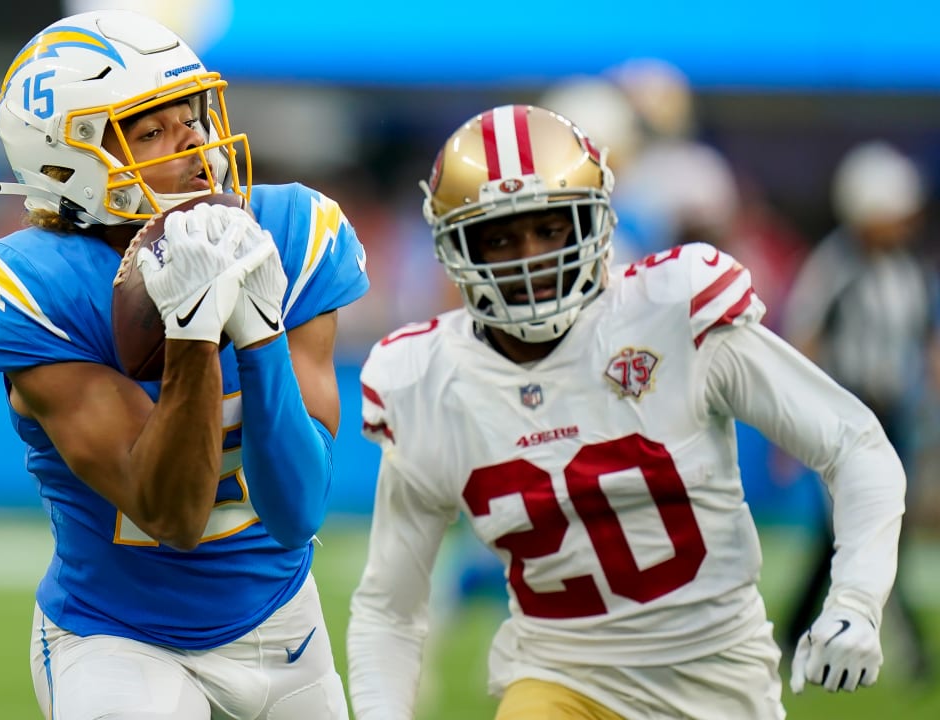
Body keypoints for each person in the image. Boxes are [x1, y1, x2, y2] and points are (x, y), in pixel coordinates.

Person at [346, 104, 905, 719]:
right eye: (499, 237)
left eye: (550, 227)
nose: (530, 258)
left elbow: (854, 444)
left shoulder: (670, 314)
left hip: (717, 682)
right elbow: (390, 606)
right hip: (560, 679)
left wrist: (855, 599)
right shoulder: (430, 380)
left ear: (593, 223)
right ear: (456, 246)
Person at [0, 10, 368, 719]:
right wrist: (193, 335)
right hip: (120, 637)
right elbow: (172, 514)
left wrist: (261, 333)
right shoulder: (33, 285)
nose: (199, 144)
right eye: (151, 131)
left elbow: (297, 510)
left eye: (193, 115)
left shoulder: (295, 233)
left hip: (282, 621)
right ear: (68, 164)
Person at [779, 139, 936, 680]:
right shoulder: (835, 265)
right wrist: (796, 422)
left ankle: (800, 636)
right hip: (845, 420)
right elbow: (803, 341)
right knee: (854, 533)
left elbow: (925, 343)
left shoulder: (909, 270)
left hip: (895, 420)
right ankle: (904, 649)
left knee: (871, 532)